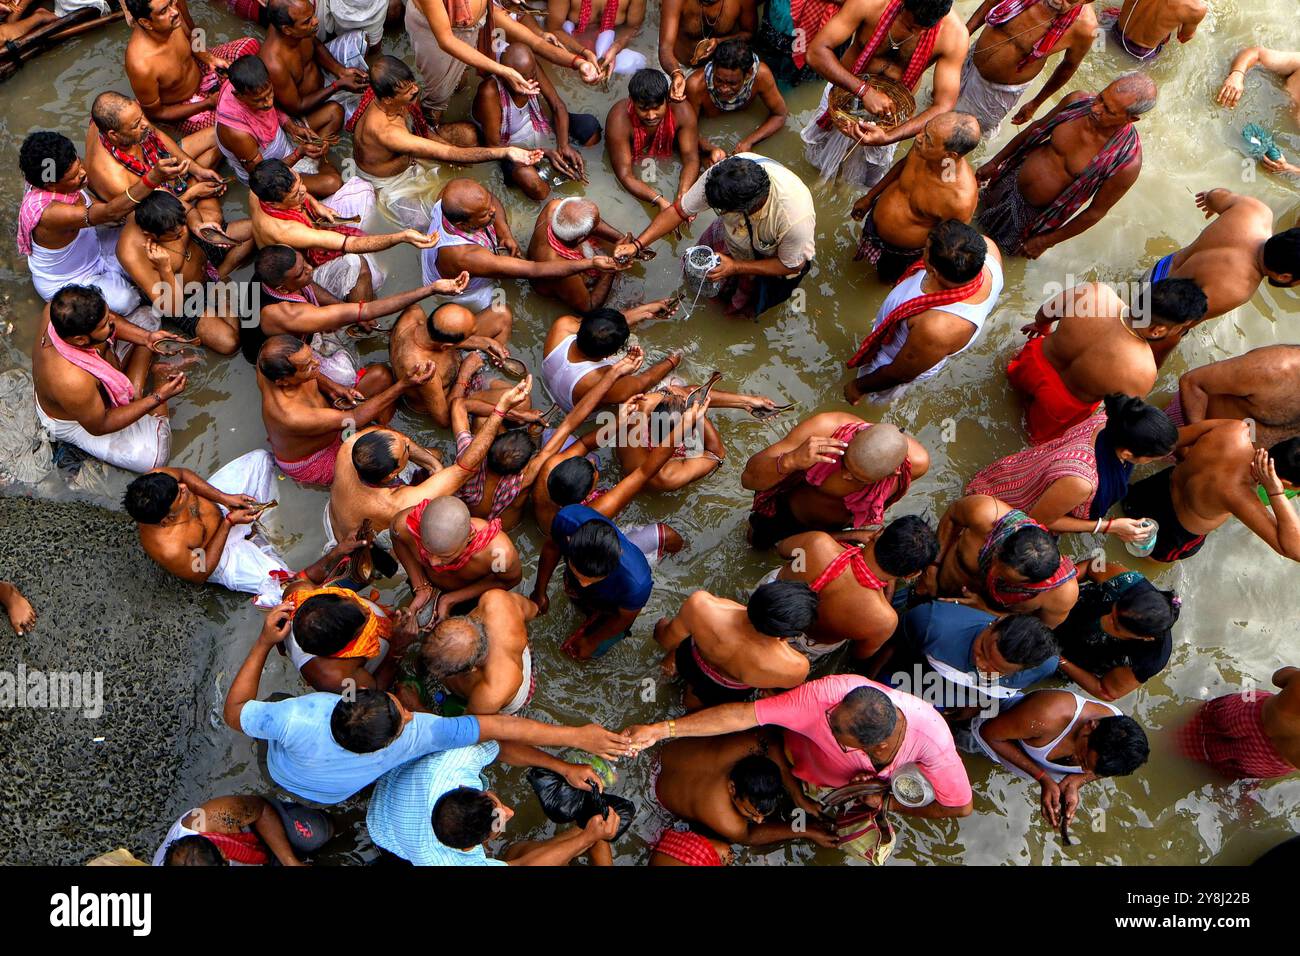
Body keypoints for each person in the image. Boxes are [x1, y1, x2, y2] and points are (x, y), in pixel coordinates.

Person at [223, 603, 634, 804]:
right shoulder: (420, 735)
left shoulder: (299, 713)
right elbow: (498, 730)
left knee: (266, 710)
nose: (408, 712)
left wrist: (263, 643)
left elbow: (235, 712)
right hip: (334, 794)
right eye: (404, 714)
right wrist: (573, 742)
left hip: (287, 774)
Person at [623, 675, 975, 863]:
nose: (823, 720)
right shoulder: (827, 696)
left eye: (835, 733)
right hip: (660, 791)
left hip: (673, 762)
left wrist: (886, 804)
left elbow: (960, 806)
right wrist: (661, 729)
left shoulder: (934, 741)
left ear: (874, 747)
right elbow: (746, 718)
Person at [449, 353, 644, 529]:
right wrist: (614, 373)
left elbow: (459, 405)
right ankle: (534, 435)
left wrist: (507, 411)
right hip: (503, 527)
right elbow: (570, 423)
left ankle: (528, 431)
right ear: (524, 466)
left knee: (483, 420)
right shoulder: (522, 481)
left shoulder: (467, 457)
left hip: (464, 519)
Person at [351, 56, 545, 230]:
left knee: (469, 136)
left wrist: (445, 146)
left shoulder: (385, 93)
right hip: (393, 183)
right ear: (387, 99)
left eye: (412, 83)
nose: (416, 90)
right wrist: (505, 152)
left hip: (412, 152)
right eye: (408, 90)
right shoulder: (388, 133)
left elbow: (427, 135)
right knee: (431, 221)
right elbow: (448, 153)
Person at [614, 154, 816, 317]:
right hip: (734, 236)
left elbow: (791, 265)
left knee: (745, 306)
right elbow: (678, 212)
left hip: (773, 260)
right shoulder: (722, 177)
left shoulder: (794, 219)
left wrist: (736, 267)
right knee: (705, 273)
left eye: (721, 210)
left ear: (746, 208)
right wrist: (637, 245)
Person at [976, 73, 1153, 259]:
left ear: (1131, 119)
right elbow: (1035, 129)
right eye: (1100, 97)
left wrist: (1045, 241)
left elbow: (1094, 213)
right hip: (1008, 181)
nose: (1095, 108)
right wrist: (995, 162)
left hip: (1032, 220)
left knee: (991, 258)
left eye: (1108, 110)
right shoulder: (1077, 102)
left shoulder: (1126, 163)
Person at [1008, 278, 1208, 442]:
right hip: (1060, 407)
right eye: (1181, 328)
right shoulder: (1142, 370)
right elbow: (1119, 416)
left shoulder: (1095, 293)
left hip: (1033, 362)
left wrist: (1041, 327)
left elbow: (1045, 312)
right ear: (1158, 330)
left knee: (1009, 386)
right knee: (1030, 439)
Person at [366, 738, 620, 865]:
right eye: (498, 822)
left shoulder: (452, 764)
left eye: (496, 806)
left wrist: (564, 768)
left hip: (384, 804)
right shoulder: (449, 863)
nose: (508, 812)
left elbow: (499, 744)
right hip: (389, 836)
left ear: (466, 788)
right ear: (471, 848)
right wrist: (587, 838)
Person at [800, 0, 969, 188]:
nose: (914, 32)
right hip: (844, 91)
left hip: (890, 117)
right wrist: (864, 90)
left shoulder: (955, 35)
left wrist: (889, 137)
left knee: (861, 179)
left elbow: (943, 105)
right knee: (817, 157)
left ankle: (843, 189)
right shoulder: (871, 3)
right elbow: (815, 53)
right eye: (909, 24)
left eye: (922, 29)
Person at [965, 394, 1178, 541]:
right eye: (1151, 458)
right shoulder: (1082, 482)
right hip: (1007, 505)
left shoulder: (1108, 421)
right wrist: (1108, 526)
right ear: (1127, 455)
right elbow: (1037, 520)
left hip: (1016, 472)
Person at [245, 245, 469, 384]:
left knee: (354, 262)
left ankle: (351, 325)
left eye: (305, 264)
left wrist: (336, 309)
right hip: (287, 351)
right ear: (283, 287)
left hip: (295, 312)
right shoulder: (287, 313)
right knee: (346, 376)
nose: (310, 270)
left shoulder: (271, 272)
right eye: (301, 272)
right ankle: (347, 342)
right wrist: (431, 289)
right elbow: (368, 310)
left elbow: (308, 285)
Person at [844, 219, 1003, 404]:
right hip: (901, 336)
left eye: (926, 249)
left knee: (874, 398)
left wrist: (858, 387)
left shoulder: (938, 328)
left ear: (933, 272)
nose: (922, 250)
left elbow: (899, 373)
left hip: (889, 363)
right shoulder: (988, 250)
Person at [31, 285, 184, 473]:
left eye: (107, 314)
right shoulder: (72, 380)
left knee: (149, 318)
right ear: (80, 340)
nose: (112, 320)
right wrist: (158, 397)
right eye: (104, 324)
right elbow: (100, 425)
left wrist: (147, 338)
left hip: (95, 369)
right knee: (156, 460)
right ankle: (153, 380)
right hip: (81, 419)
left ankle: (133, 389)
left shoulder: (55, 309)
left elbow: (111, 319)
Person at [324, 405, 517, 553]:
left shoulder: (351, 447)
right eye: (405, 450)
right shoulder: (395, 502)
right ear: (393, 474)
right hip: (366, 544)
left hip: (336, 516)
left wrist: (433, 465)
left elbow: (397, 437)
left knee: (436, 455)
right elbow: (465, 469)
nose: (407, 442)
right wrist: (498, 412)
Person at [17, 130, 171, 315]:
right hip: (71, 279)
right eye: (73, 177)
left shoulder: (48, 177)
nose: (82, 173)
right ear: (51, 185)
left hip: (94, 247)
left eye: (79, 164)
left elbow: (91, 203)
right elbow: (110, 212)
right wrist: (153, 178)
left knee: (145, 237)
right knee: (126, 301)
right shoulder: (50, 213)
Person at [1141, 189, 1300, 366]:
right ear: (1284, 276)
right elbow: (1175, 327)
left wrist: (1209, 202)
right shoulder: (1238, 289)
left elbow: (1214, 195)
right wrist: (1153, 367)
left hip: (1162, 267)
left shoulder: (1256, 211)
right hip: (1159, 302)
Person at [422, 178, 625, 315]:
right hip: (464, 291)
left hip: (473, 251)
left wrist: (505, 233)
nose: (492, 210)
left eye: (488, 206)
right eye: (485, 214)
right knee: (500, 310)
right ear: (463, 225)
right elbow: (535, 269)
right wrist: (598, 266)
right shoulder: (465, 256)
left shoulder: (453, 196)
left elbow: (491, 198)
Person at [122, 451, 299, 607]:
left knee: (261, 459)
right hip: (222, 555)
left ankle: (263, 527)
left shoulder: (158, 480)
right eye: (180, 494)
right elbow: (202, 572)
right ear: (167, 519)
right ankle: (256, 540)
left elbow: (183, 475)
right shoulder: (170, 549)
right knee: (286, 587)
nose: (183, 487)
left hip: (221, 507)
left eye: (178, 486)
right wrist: (229, 523)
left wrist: (224, 498)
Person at [256, 334, 432, 485]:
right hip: (317, 458)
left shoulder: (268, 358)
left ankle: (385, 435)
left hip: (332, 419)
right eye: (307, 367)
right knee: (397, 471)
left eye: (311, 356)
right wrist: (403, 385)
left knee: (380, 376)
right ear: (282, 381)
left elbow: (314, 374)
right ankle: (428, 463)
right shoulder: (290, 414)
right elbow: (353, 419)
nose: (316, 363)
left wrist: (333, 387)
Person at [249, 160, 431, 301]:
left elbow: (300, 192)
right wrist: (401, 237)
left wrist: (315, 205)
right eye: (296, 195)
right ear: (273, 204)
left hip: (314, 224)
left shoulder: (259, 188)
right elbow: (349, 244)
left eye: (301, 182)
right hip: (307, 268)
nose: (304, 190)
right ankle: (359, 317)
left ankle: (372, 254)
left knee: (362, 188)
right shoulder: (285, 230)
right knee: (360, 266)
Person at [404, 0, 603, 130]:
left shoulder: (496, 13)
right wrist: (504, 70)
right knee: (437, 98)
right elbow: (446, 41)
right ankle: (428, 129)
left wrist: (579, 62)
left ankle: (458, 85)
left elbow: (536, 43)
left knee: (461, 81)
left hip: (476, 24)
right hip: (436, 37)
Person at [1120, 422, 1300, 564]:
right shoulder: (1241, 497)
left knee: (1124, 511)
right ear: (1285, 483)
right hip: (1174, 531)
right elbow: (1293, 549)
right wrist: (1275, 491)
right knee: (1148, 558)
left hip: (1152, 489)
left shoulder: (1235, 429)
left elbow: (1169, 441)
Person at [971, 688, 1150, 830]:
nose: (1085, 772)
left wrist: (1074, 784)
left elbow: (1096, 771)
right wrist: (1043, 778)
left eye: (1092, 771)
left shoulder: (1116, 747)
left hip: (1007, 757)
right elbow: (988, 733)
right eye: (1084, 763)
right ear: (1090, 727)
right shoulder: (1046, 715)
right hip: (978, 732)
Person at [743, 415, 927, 549]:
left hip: (836, 527)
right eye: (844, 464)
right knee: (756, 543)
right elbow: (748, 479)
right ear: (854, 437)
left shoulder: (914, 466)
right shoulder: (825, 429)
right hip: (786, 513)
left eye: (858, 478)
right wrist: (790, 460)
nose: (846, 476)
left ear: (893, 474)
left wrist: (850, 535)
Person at [771, 517, 939, 663]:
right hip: (803, 647)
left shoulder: (817, 543)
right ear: (911, 575)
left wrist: (848, 535)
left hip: (769, 601)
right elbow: (859, 654)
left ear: (878, 533)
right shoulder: (884, 620)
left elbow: (781, 549)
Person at [531, 502, 683, 659]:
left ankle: (656, 539)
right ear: (569, 542)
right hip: (606, 551)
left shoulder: (636, 585)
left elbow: (624, 618)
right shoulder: (567, 521)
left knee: (590, 652)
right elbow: (552, 548)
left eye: (591, 580)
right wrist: (540, 591)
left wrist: (592, 641)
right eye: (579, 575)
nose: (583, 584)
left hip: (626, 578)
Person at [849, 111, 981, 284]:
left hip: (900, 253)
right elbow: (903, 165)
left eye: (928, 139)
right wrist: (869, 197)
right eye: (925, 131)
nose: (918, 138)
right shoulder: (923, 149)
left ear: (950, 156)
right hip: (874, 225)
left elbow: (946, 244)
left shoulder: (959, 200)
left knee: (883, 281)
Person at [117, 191, 253, 355]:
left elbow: (189, 211)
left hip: (202, 251)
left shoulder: (160, 199)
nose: (182, 231)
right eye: (174, 234)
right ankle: (223, 296)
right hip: (182, 296)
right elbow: (169, 308)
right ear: (150, 235)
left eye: (182, 225)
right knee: (229, 343)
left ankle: (221, 275)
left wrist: (197, 226)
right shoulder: (130, 252)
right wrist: (165, 269)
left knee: (256, 228)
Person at [654, 730, 838, 848]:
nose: (758, 821)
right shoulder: (721, 815)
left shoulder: (749, 744)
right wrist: (807, 830)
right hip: (656, 791)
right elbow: (748, 836)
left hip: (664, 750)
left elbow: (772, 740)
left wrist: (799, 797)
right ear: (732, 788)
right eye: (751, 813)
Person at [654, 581, 819, 709]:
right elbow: (775, 696)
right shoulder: (795, 666)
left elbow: (666, 640)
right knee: (691, 703)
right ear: (784, 636)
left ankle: (667, 671)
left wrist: (662, 625)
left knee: (673, 654)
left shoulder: (702, 606)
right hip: (723, 690)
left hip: (690, 659)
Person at [923, 494, 1079, 628]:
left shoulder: (1061, 593)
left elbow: (1036, 633)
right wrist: (932, 567)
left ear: (1030, 582)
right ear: (1000, 546)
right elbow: (952, 515)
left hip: (977, 626)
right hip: (931, 587)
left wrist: (988, 612)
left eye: (1004, 578)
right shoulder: (986, 513)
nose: (992, 573)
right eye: (995, 561)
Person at [472, 44, 600, 201]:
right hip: (511, 148)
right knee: (534, 185)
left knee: (590, 127)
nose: (531, 81)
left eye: (533, 74)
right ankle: (555, 199)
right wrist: (545, 153)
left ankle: (561, 167)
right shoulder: (489, 92)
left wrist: (563, 146)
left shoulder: (531, 70)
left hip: (539, 125)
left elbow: (557, 105)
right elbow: (494, 147)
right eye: (524, 78)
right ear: (508, 76)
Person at [957, 0, 1097, 139]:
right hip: (969, 58)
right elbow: (990, 3)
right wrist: (959, 41)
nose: (1056, 0)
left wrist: (1035, 104)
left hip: (999, 92)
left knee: (967, 133)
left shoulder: (1085, 28)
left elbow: (1068, 67)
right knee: (941, 99)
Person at [215, 54, 349, 197]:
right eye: (259, 100)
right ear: (238, 96)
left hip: (280, 137)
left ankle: (318, 157)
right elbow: (264, 177)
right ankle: (318, 162)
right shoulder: (238, 133)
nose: (268, 102)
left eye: (270, 93)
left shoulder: (250, 83)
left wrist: (292, 128)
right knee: (333, 182)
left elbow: (273, 109)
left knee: (334, 112)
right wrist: (299, 153)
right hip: (270, 172)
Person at [886, 606, 1059, 713]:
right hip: (903, 680)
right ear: (995, 623)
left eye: (996, 669)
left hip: (944, 701)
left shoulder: (1045, 667)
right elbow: (890, 646)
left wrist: (965, 710)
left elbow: (994, 694)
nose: (981, 664)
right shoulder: (932, 626)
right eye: (982, 649)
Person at [123, 0, 260, 136]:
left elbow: (192, 36)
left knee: (250, 45)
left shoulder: (172, 16)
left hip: (200, 69)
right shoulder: (141, 65)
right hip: (184, 107)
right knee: (233, 127)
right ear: (146, 22)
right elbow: (156, 114)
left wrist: (210, 59)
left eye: (171, 3)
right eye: (164, 10)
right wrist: (207, 104)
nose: (175, 11)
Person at [390, 495, 524, 632]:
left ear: (469, 537)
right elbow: (395, 535)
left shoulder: (497, 553)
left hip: (465, 595)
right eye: (427, 550)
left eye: (445, 556)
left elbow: (509, 580)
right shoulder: (405, 525)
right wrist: (420, 587)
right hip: (426, 582)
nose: (432, 562)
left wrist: (451, 599)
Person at [85, 91, 223, 220]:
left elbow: (156, 134)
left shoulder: (120, 117)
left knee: (219, 136)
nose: (145, 124)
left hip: (155, 161)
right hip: (150, 205)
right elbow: (153, 214)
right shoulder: (114, 177)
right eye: (136, 125)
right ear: (113, 135)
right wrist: (193, 193)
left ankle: (195, 179)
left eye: (141, 116)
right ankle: (192, 186)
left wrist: (196, 169)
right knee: (211, 218)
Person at [614, 384, 778, 492]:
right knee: (690, 393)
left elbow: (672, 392)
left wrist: (745, 402)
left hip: (635, 462)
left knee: (690, 391)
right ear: (686, 435)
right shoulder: (667, 475)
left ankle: (746, 403)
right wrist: (697, 414)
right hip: (651, 484)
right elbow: (717, 454)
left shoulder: (634, 421)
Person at [387, 301, 524, 430]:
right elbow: (445, 420)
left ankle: (498, 362)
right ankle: (487, 387)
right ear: (447, 347)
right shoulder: (424, 371)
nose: (474, 336)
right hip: (452, 394)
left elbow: (435, 337)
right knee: (522, 403)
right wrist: (465, 373)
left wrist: (484, 342)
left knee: (501, 313)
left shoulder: (414, 313)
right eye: (469, 335)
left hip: (454, 357)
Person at [1053, 561, 1178, 701]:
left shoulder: (1149, 660)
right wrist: (1058, 587)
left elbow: (1105, 690)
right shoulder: (1129, 582)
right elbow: (1090, 567)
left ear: (1146, 638)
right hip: (1081, 606)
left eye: (1115, 626)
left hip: (1085, 654)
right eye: (1112, 613)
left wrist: (1059, 660)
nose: (1105, 620)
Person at [411, 589, 540, 716]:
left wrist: (417, 707)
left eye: (442, 674)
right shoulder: (495, 601)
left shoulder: (491, 693)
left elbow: (465, 731)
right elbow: (533, 609)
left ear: (471, 669)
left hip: (513, 692)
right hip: (514, 645)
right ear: (458, 620)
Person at [281, 567, 408, 692]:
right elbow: (375, 693)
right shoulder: (336, 679)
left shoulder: (295, 595)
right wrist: (395, 649)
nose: (366, 610)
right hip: (373, 671)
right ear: (344, 645)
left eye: (348, 598)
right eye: (364, 624)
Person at [541, 308, 681, 414]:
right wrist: (674, 359)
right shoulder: (600, 380)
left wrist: (645, 310)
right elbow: (644, 381)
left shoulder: (563, 325)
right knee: (676, 384)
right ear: (611, 354)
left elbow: (597, 327)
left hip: (550, 388)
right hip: (574, 411)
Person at [1179, 666, 1300, 780]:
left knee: (1207, 718)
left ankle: (1181, 739)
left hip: (1247, 714)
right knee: (1232, 767)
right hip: (1260, 757)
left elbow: (1277, 678)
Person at [605, 68, 701, 212]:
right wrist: (658, 200)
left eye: (657, 108)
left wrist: (683, 195)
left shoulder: (683, 112)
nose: (651, 116)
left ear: (667, 100)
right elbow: (625, 175)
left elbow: (691, 159)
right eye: (643, 109)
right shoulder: (618, 121)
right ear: (632, 101)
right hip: (637, 161)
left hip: (663, 158)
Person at [526, 196, 644, 312]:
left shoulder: (554, 206)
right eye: (593, 228)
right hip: (560, 284)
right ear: (581, 238)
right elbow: (589, 306)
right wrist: (613, 265)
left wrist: (620, 238)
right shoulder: (562, 269)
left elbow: (590, 220)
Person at [260, 0, 368, 125]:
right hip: (308, 107)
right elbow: (297, 107)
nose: (316, 21)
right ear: (287, 30)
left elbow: (315, 45)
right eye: (307, 21)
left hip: (324, 77)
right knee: (353, 115)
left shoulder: (299, 27)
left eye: (313, 15)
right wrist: (337, 86)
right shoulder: (274, 64)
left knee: (361, 39)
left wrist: (340, 71)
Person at [685, 38, 788, 165]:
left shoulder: (761, 76)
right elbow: (686, 130)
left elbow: (780, 115)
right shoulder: (695, 86)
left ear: (748, 74)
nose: (724, 89)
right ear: (713, 68)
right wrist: (709, 150)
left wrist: (749, 141)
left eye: (732, 83)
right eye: (719, 80)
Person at [1173, 345, 1300, 448]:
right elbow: (1192, 383)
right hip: (1185, 432)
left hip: (1233, 471)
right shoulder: (1276, 368)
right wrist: (1195, 447)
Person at [154, 794, 331, 865]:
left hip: (259, 833)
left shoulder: (213, 817)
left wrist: (289, 861)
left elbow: (261, 810)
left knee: (318, 832)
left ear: (222, 853)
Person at [1217, 47, 1300, 173]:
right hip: (1254, 111)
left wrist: (1289, 168)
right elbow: (1256, 53)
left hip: (1285, 144)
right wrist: (1237, 75)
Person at [659, 0, 757, 99]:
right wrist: (676, 73)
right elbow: (665, 48)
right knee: (670, 100)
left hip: (719, 70)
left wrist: (720, 41)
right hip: (678, 64)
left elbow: (749, 33)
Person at [545, 0, 648, 77]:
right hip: (571, 41)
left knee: (637, 64)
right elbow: (554, 29)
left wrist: (615, 48)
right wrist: (583, 53)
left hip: (611, 42)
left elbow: (633, 27)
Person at [1106, 0, 1204, 62]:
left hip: (1115, 30)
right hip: (1141, 54)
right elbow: (1183, 38)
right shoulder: (1195, 8)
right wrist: (1182, 19)